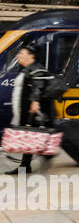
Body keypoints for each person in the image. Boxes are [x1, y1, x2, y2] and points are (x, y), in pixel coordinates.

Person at [5, 46, 59, 175]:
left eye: (22, 53)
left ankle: (27, 165)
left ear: (31, 56)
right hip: (25, 108)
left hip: (31, 109)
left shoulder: (36, 68)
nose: (18, 55)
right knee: (31, 136)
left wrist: (35, 102)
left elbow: (38, 86)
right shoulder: (28, 68)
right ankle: (43, 156)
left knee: (29, 136)